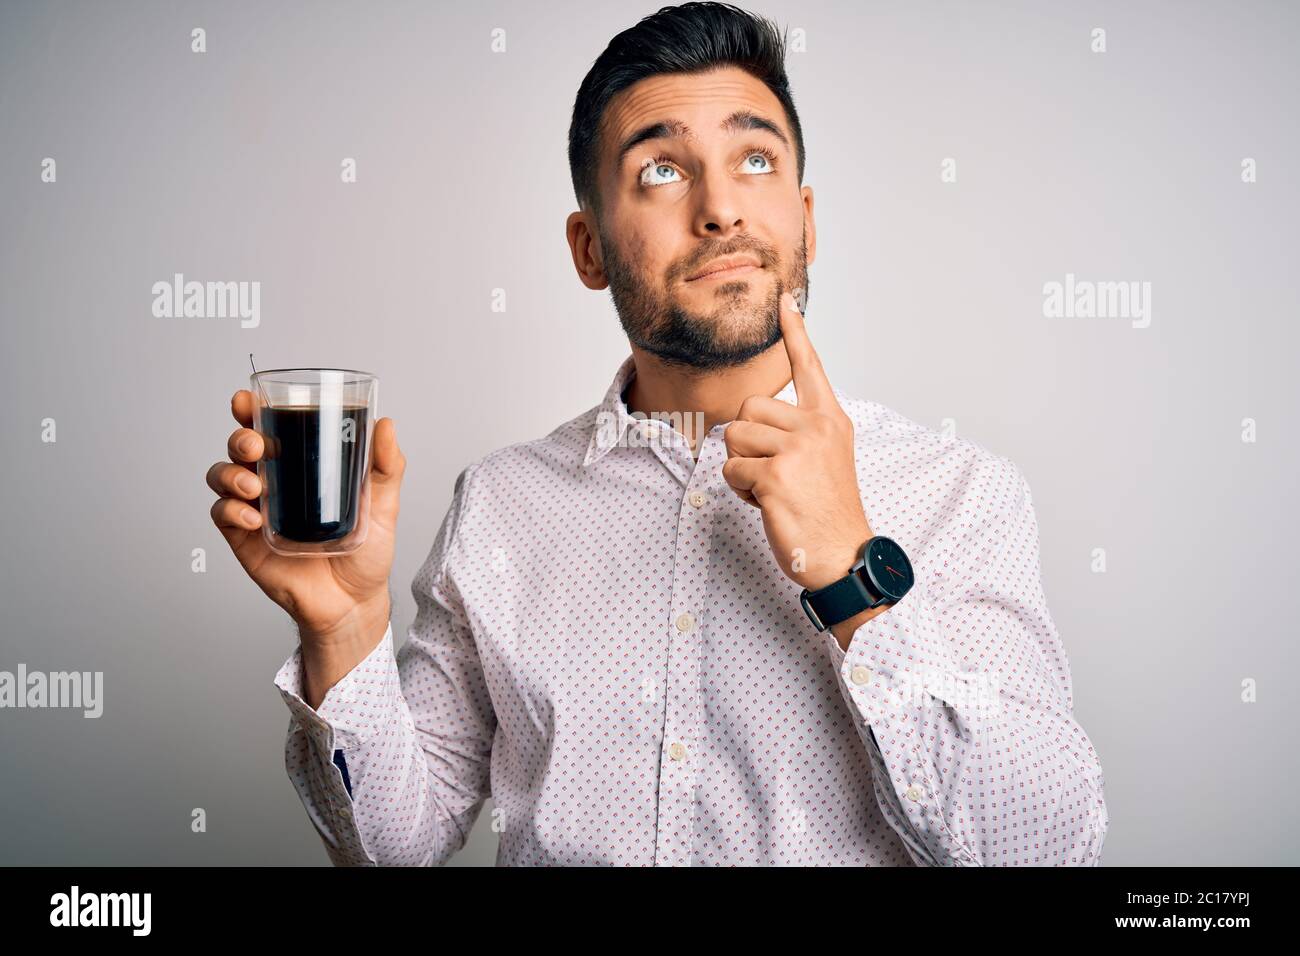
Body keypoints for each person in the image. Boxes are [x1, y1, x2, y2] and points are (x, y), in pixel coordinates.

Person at [206, 2, 1108, 866]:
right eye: (661, 171)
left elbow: (1046, 851)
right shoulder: (500, 506)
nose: (721, 209)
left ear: (808, 219)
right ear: (588, 249)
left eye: (755, 160)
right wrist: (346, 629)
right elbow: (395, 848)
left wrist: (849, 566)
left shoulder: (960, 491)